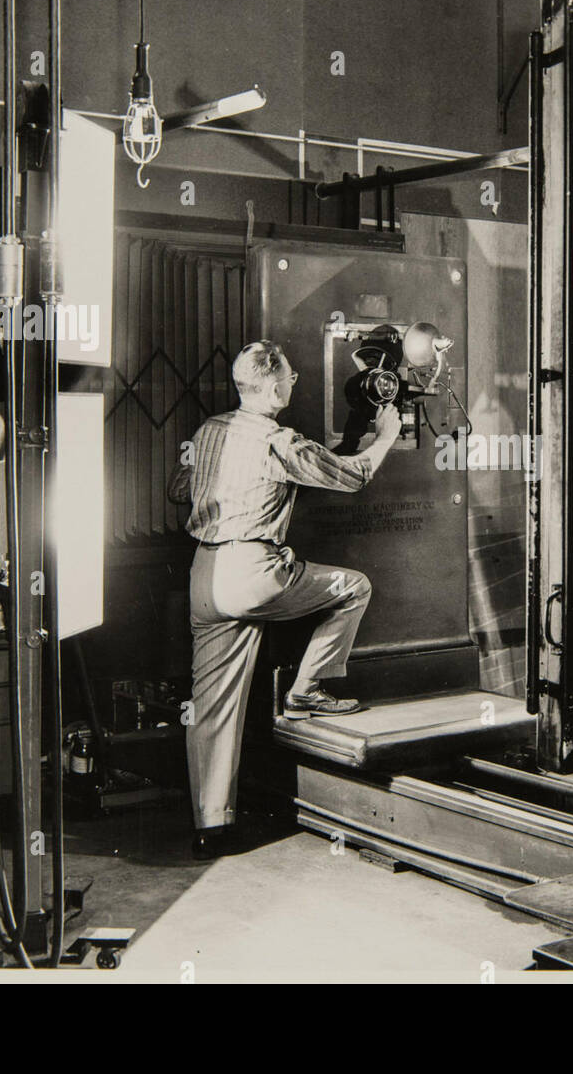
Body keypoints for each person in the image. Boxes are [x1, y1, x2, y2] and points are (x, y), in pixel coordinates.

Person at [167, 340, 402, 858]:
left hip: (205, 575)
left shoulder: (209, 431)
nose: (295, 382)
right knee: (354, 587)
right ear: (274, 387)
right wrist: (385, 435)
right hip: (256, 571)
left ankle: (212, 828)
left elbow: (179, 489)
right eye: (293, 377)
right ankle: (307, 692)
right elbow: (356, 476)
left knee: (211, 706)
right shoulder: (279, 441)